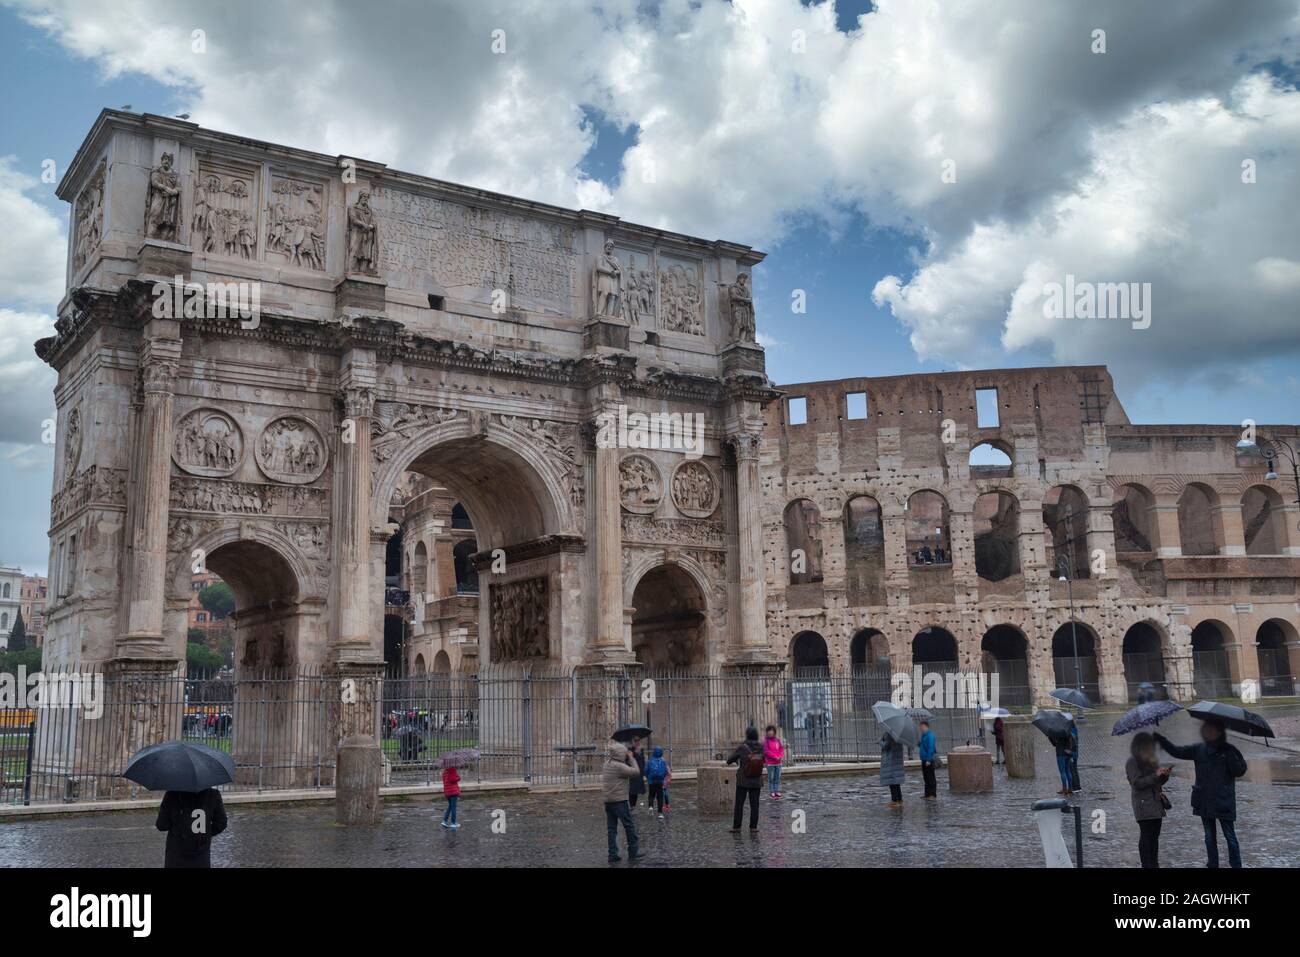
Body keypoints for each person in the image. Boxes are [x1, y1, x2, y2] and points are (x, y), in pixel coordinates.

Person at [1155, 721, 1247, 868]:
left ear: (1219, 733)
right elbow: (1177, 751)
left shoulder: (1228, 750)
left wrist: (1235, 755)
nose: (1209, 733)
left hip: (1223, 800)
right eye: (1207, 731)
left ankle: (1236, 865)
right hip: (1205, 800)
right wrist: (1162, 740)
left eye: (1212, 731)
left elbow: (1239, 771)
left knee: (1230, 836)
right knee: (1209, 837)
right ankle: (1212, 864)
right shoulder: (1199, 749)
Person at [1125, 732, 1170, 868]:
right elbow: (1137, 783)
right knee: (1146, 835)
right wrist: (1155, 775)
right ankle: (1147, 864)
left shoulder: (1151, 760)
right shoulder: (1132, 761)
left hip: (1156, 802)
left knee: (1155, 836)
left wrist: (1164, 775)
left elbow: (1157, 782)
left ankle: (1154, 864)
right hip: (1143, 804)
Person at [155, 788, 228, 868]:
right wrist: (206, 833)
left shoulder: (172, 794)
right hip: (201, 854)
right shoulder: (213, 794)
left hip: (175, 855)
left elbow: (161, 825)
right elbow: (221, 823)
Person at [601, 741, 643, 862]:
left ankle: (612, 853)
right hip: (619, 800)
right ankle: (633, 851)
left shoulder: (607, 764)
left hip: (608, 801)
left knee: (611, 829)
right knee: (629, 825)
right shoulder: (619, 767)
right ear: (620, 754)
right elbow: (636, 772)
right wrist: (631, 758)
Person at [726, 727, 766, 832]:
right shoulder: (761, 747)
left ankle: (737, 827)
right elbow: (765, 760)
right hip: (757, 780)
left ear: (747, 735)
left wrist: (739, 760)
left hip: (743, 780)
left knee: (739, 804)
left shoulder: (742, 747)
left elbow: (729, 760)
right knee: (755, 804)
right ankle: (753, 827)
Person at [879, 732, 905, 806]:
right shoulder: (899, 735)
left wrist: (880, 741)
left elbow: (886, 746)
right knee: (896, 782)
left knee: (892, 781)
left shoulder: (889, 734)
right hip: (897, 760)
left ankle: (894, 801)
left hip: (891, 760)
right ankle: (899, 800)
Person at [645, 745, 670, 818]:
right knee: (660, 797)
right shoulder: (663, 761)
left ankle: (651, 807)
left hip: (651, 781)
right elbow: (666, 771)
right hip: (660, 781)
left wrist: (648, 777)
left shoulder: (650, 761)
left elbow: (646, 770)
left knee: (651, 795)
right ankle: (660, 813)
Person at [763, 725, 785, 798]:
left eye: (772, 731)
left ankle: (777, 790)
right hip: (770, 763)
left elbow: (781, 749)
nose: (770, 733)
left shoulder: (777, 740)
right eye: (769, 731)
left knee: (777, 777)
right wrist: (775, 757)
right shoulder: (766, 741)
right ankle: (772, 791)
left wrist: (780, 756)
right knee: (771, 778)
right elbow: (766, 751)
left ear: (774, 732)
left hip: (778, 762)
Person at [1051, 727, 1074, 795]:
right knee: (1068, 770)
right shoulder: (1067, 730)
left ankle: (1064, 788)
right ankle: (1070, 788)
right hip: (1067, 753)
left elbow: (1054, 744)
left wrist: (1050, 737)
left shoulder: (1055, 731)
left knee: (1062, 772)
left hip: (1060, 753)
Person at [918, 720, 938, 799]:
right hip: (924, 760)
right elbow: (923, 746)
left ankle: (932, 794)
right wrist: (918, 743)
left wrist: (929, 760)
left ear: (925, 726)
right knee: (926, 778)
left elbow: (931, 748)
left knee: (931, 778)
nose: (920, 728)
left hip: (928, 760)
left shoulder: (930, 735)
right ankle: (927, 794)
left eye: (921, 726)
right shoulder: (924, 735)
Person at [627, 738, 647, 809]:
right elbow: (627, 761)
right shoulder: (630, 750)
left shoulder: (641, 750)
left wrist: (644, 774)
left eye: (638, 741)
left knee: (637, 789)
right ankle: (631, 805)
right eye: (635, 741)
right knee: (632, 789)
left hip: (640, 771)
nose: (637, 743)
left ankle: (633, 805)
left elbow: (643, 761)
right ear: (633, 742)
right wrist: (630, 756)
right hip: (633, 771)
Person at [440, 762, 461, 829]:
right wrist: (459, 777)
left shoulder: (444, 772)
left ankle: (445, 821)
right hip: (453, 792)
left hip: (447, 792)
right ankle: (453, 823)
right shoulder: (452, 769)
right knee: (453, 807)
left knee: (450, 806)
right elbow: (453, 779)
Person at [1068, 719, 1082, 792]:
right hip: (1075, 753)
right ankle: (1077, 786)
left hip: (1072, 753)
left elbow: (1072, 743)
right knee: (1074, 770)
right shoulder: (1074, 729)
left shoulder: (1070, 731)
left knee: (1072, 770)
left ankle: (1075, 787)